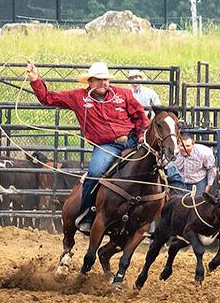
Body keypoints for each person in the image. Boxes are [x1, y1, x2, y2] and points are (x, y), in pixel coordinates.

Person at [27, 61, 149, 232]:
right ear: (90, 81)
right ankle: (86, 214)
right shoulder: (78, 97)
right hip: (107, 146)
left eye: (106, 79)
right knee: (95, 172)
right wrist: (35, 79)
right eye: (99, 79)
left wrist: (142, 134)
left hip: (133, 140)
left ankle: (163, 213)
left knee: (159, 165)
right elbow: (47, 98)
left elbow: (139, 116)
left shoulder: (123, 94)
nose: (104, 83)